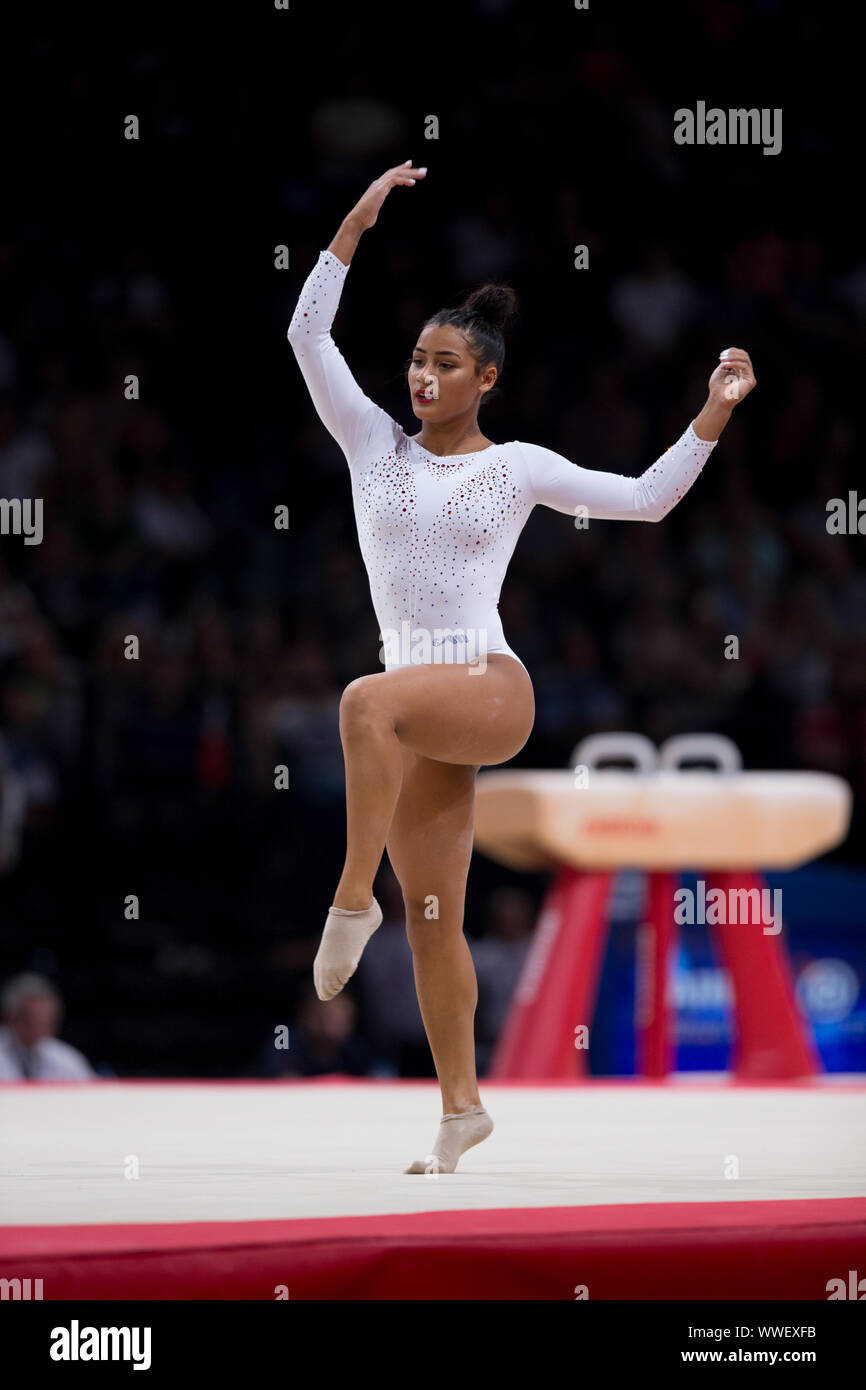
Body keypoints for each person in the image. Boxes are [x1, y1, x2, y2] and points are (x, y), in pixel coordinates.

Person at [287, 160, 756, 1172]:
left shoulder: (515, 466)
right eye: (417, 357)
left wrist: (714, 407)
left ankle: (345, 897)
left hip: (487, 692)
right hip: (422, 718)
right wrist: (352, 228)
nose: (422, 375)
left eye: (446, 363)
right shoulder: (370, 442)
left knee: (361, 702)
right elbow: (305, 335)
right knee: (434, 921)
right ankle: (460, 1106)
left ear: (485, 379)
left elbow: (643, 498)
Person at [0, 973, 94, 1081]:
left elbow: (93, 1092)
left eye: (47, 1020)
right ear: (12, 1017)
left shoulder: (66, 1058)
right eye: (32, 1019)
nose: (39, 1027)